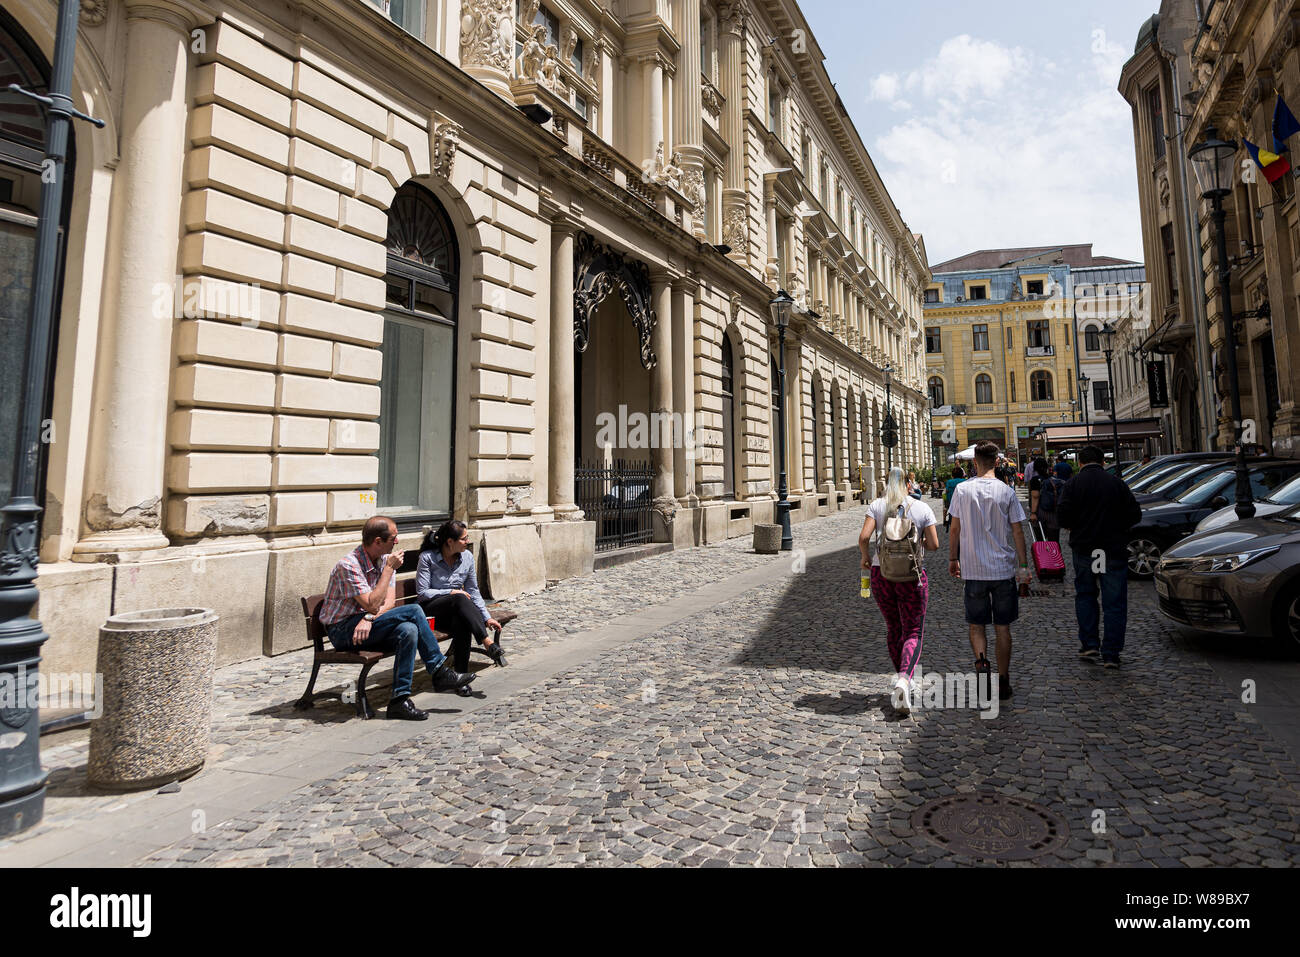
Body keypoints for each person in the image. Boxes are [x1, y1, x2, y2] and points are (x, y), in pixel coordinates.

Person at [319, 516, 474, 720]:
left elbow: (389, 603)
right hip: (344, 630)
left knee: (408, 630)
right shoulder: (349, 566)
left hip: (368, 622)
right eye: (394, 537)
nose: (397, 541)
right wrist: (389, 571)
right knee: (414, 611)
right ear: (378, 541)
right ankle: (439, 670)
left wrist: (369, 618)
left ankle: (399, 701)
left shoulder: (385, 559)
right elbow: (373, 604)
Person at [947, 442, 1031, 701]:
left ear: (974, 462)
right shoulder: (1006, 491)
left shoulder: (962, 490)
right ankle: (1003, 679)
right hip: (1002, 571)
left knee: (976, 625)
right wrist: (1024, 566)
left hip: (973, 570)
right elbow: (1018, 531)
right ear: (997, 462)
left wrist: (953, 558)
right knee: (1002, 627)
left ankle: (982, 662)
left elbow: (954, 529)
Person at [859, 467, 940, 715]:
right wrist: (919, 542)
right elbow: (935, 545)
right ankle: (906, 678)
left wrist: (865, 558)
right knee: (913, 630)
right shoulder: (921, 507)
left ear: (886, 484)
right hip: (911, 576)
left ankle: (900, 678)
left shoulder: (877, 505)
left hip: (880, 573)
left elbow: (863, 537)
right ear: (907, 484)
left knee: (894, 628)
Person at [1057, 445, 1142, 669]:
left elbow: (1063, 517)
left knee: (1086, 595)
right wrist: (1118, 528)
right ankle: (1112, 653)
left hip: (1085, 549)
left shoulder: (1073, 485)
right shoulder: (1116, 484)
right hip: (1112, 549)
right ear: (1103, 462)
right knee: (1114, 603)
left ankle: (1089, 644)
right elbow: (1135, 514)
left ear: (1080, 463)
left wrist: (1079, 526)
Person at [417, 520, 515, 680]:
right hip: (431, 613)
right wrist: (451, 591)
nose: (467, 541)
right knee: (459, 597)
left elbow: (473, 591)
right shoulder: (427, 558)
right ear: (450, 542)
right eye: (464, 538)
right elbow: (422, 593)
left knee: (462, 621)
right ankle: (487, 642)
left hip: (456, 609)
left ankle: (461, 677)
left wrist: (487, 617)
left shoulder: (467, 557)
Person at [1031, 459, 1068, 543]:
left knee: (1041, 541)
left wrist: (1033, 513)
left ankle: (1043, 556)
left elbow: (1035, 496)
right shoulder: (1053, 479)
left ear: (1035, 468)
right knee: (1054, 541)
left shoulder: (1035, 480)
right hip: (1053, 513)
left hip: (1040, 513)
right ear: (1046, 467)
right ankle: (1055, 555)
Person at [943, 464, 966, 530]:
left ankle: (944, 520)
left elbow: (946, 491)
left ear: (952, 475)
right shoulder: (965, 481)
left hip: (951, 505)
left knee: (944, 506)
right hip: (963, 504)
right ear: (962, 475)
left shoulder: (949, 482)